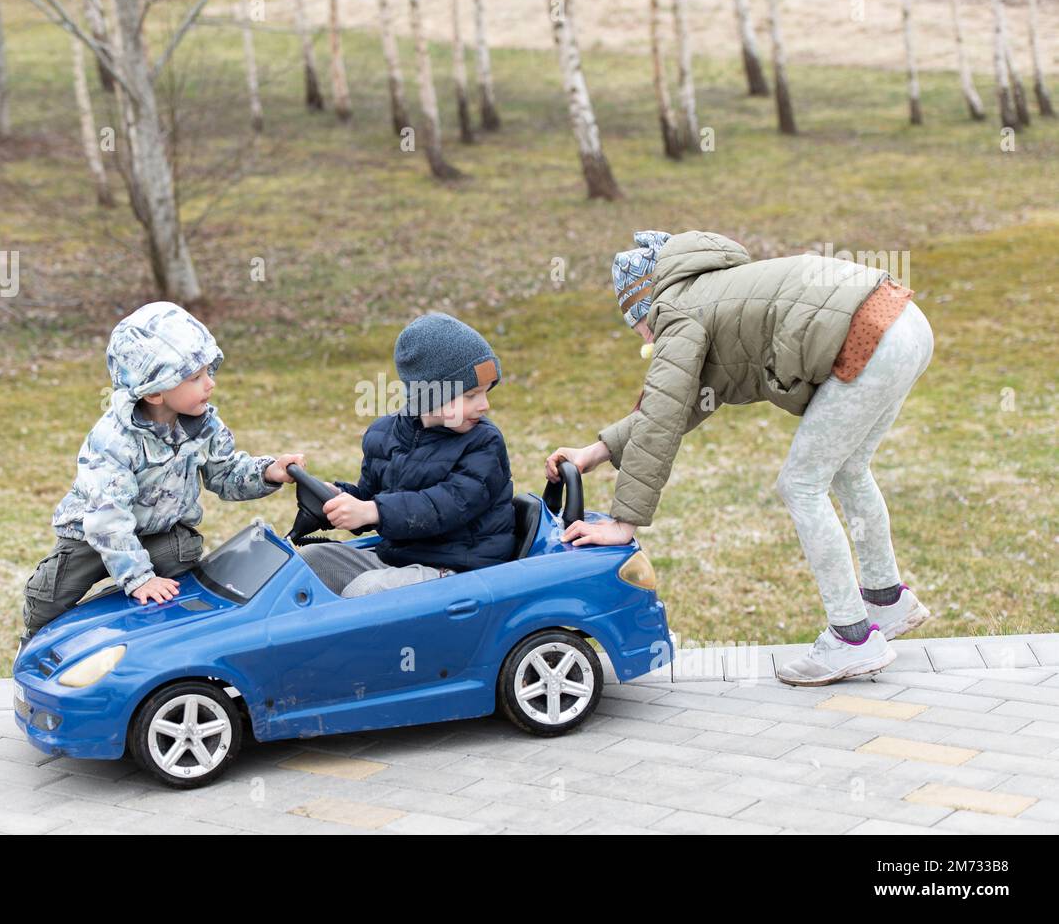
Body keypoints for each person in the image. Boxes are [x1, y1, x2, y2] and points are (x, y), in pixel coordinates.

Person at [546, 230, 934, 686]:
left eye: (641, 331)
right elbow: (680, 404)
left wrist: (622, 521)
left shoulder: (675, 311)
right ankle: (887, 602)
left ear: (644, 306)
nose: (648, 341)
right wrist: (597, 451)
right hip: (905, 322)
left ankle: (852, 639)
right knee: (848, 470)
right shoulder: (717, 291)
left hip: (868, 339)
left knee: (801, 484)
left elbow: (662, 414)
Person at [22, 301, 304, 645]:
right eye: (195, 377)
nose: (210, 384)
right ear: (155, 390)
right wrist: (138, 578)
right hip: (93, 535)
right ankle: (38, 650)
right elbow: (106, 518)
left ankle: (165, 642)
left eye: (208, 373)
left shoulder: (204, 425)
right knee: (46, 598)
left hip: (158, 532)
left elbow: (225, 473)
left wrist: (268, 472)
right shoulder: (113, 440)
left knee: (182, 556)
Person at [299, 313, 515, 598]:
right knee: (311, 561)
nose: (484, 405)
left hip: (457, 569)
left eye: (486, 393)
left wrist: (373, 511)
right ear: (431, 395)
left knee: (368, 589)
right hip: (399, 559)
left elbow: (442, 506)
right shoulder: (384, 435)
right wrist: (339, 499)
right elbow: (372, 494)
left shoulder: (484, 443)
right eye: (472, 395)